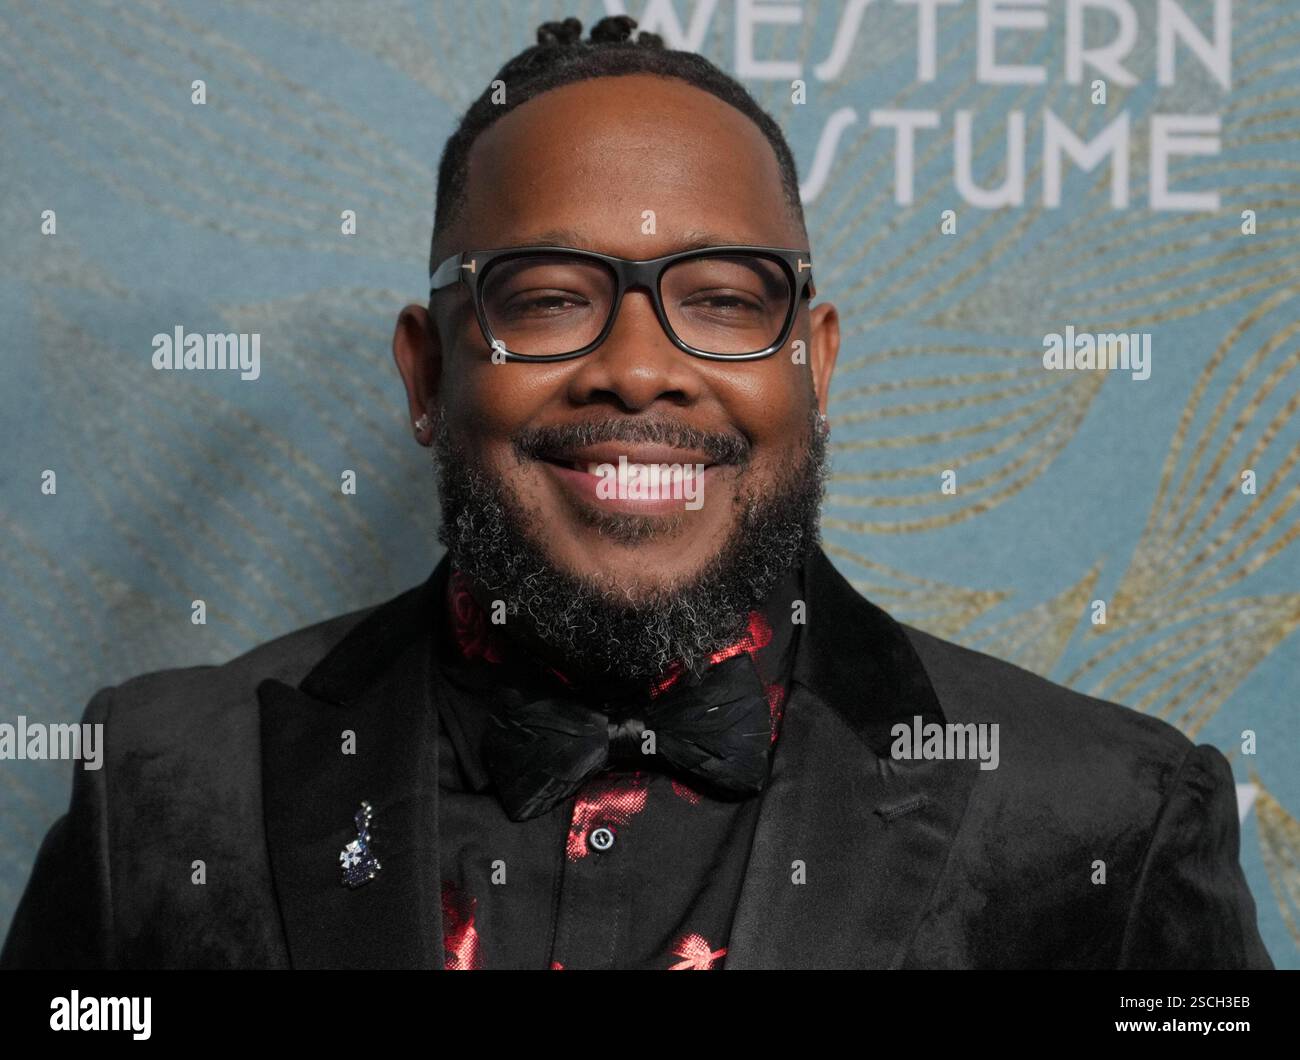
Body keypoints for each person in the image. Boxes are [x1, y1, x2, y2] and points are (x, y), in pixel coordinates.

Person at [1, 14, 1273, 970]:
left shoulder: (1105, 822)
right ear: (429, 373)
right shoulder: (164, 793)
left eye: (721, 299)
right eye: (550, 297)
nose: (638, 366)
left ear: (815, 366)